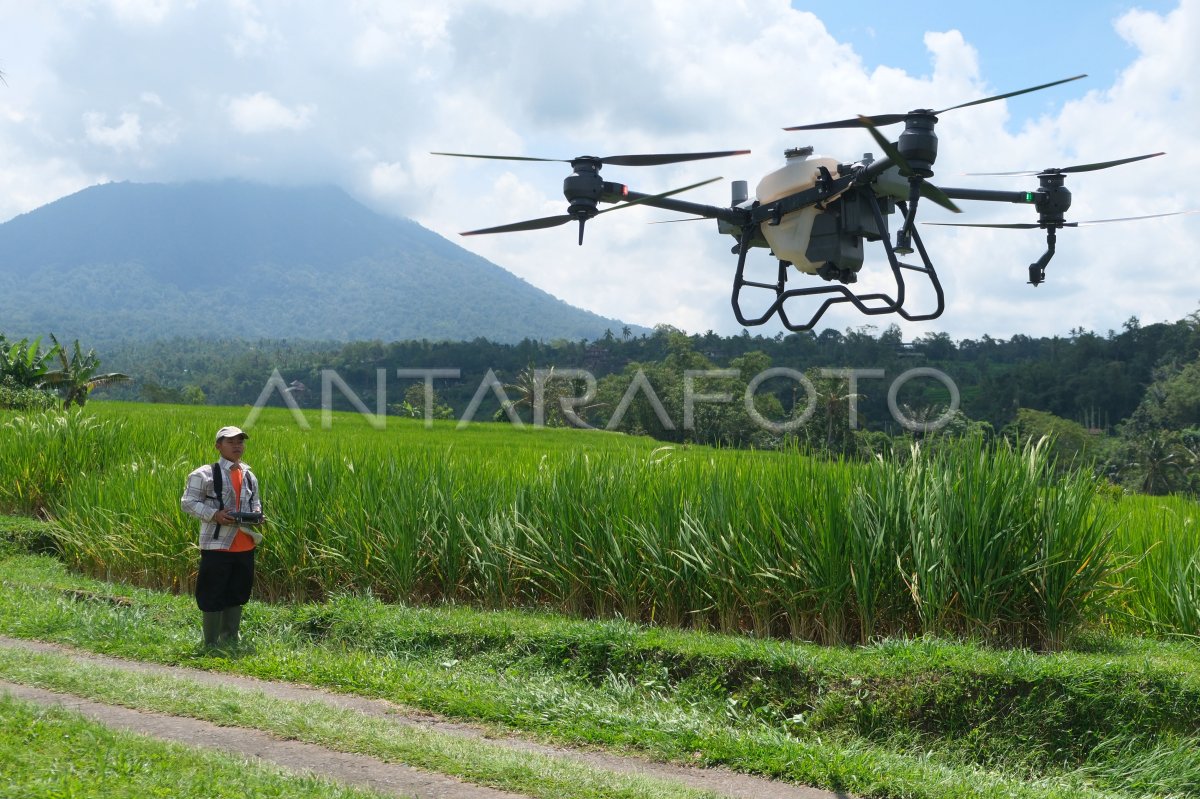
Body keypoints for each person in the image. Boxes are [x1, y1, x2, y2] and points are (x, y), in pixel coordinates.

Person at [180, 425, 264, 648]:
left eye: (240, 441)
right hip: (217, 545)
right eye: (230, 442)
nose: (237, 446)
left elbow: (255, 501)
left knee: (238, 592)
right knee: (211, 593)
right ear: (218, 446)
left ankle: (230, 640)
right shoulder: (204, 474)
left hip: (245, 544)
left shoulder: (249, 475)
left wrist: (257, 515)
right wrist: (214, 515)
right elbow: (187, 502)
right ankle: (210, 643)